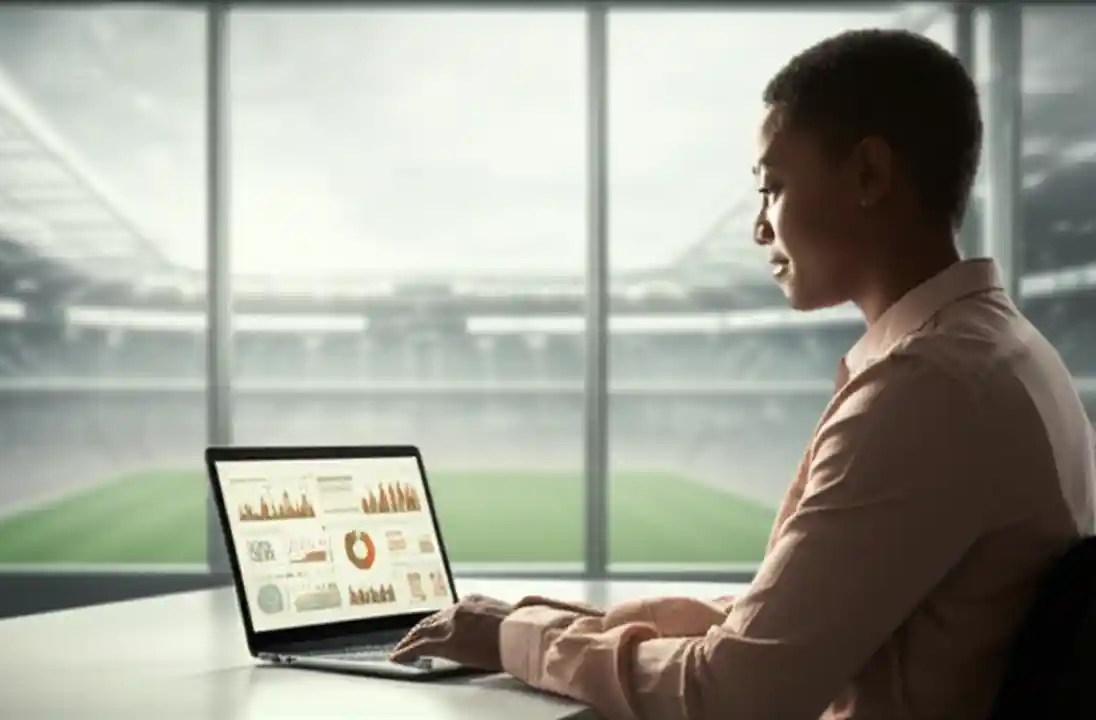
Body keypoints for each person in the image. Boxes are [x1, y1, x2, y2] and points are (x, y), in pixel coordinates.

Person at [391, 28, 1096, 719]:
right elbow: (827, 621)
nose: (760, 227)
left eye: (772, 187)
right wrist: (578, 624)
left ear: (869, 175)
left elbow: (731, 694)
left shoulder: (924, 391)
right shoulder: (1004, 351)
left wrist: (516, 641)